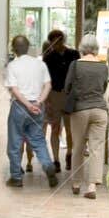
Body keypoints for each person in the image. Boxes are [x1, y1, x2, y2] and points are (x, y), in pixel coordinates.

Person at [4, 34, 59, 188]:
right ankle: (48, 165)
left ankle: (16, 177)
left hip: (20, 107)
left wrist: (27, 105)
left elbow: (14, 89)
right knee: (38, 140)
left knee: (15, 142)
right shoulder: (40, 64)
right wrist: (38, 102)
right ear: (28, 47)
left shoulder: (12, 66)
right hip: (37, 106)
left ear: (14, 49)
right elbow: (48, 85)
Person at [63, 34, 109, 198]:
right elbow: (103, 88)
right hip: (100, 110)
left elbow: (67, 86)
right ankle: (92, 187)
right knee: (97, 148)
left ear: (82, 47)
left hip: (80, 109)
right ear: (96, 48)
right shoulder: (103, 67)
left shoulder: (75, 65)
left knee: (78, 147)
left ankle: (76, 183)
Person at [41, 28, 79, 172]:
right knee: (55, 129)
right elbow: (46, 81)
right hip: (54, 95)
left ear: (63, 40)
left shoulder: (74, 54)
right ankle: (56, 159)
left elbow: (77, 76)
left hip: (69, 95)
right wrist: (47, 101)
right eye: (53, 42)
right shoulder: (48, 58)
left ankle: (69, 154)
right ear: (50, 43)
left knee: (70, 129)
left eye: (58, 41)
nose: (56, 45)